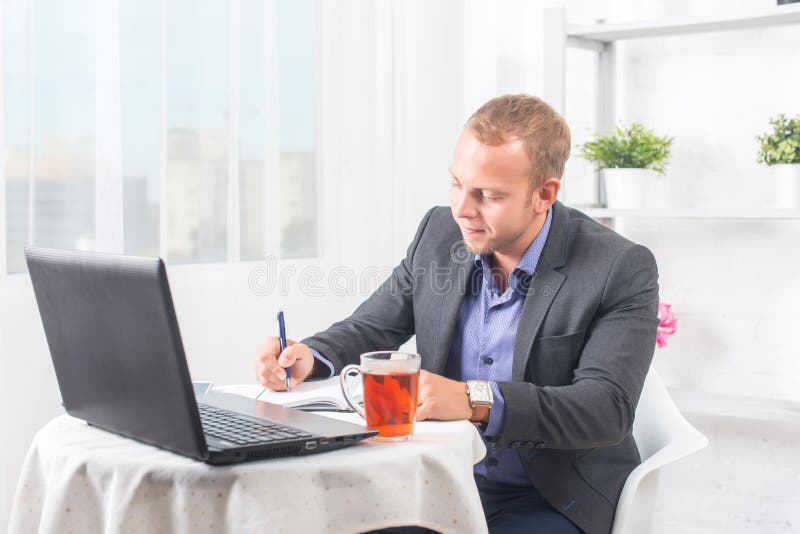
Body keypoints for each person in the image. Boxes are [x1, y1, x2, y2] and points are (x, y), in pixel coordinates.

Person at [255, 94, 659, 534]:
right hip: (440, 478)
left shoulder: (618, 266)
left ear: (544, 194)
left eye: (487, 195)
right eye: (456, 184)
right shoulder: (439, 232)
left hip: (551, 496)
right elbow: (376, 322)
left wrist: (474, 401)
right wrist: (310, 355)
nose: (462, 209)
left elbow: (605, 408)